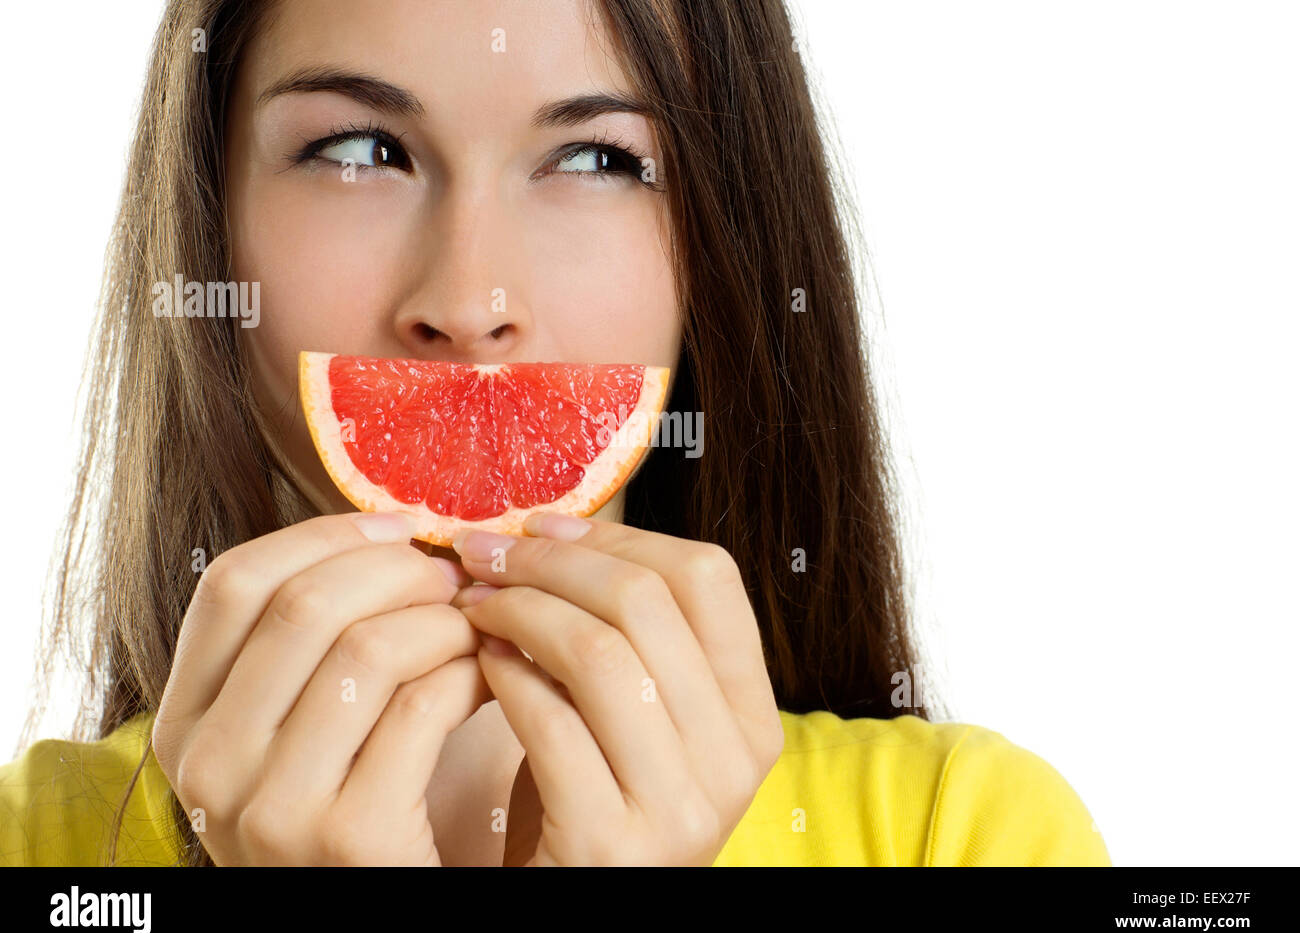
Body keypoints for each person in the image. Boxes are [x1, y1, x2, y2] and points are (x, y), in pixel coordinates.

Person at [0, 0, 1109, 866]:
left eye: (593, 159)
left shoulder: (958, 833)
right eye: (359, 148)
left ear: (722, 240)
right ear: (207, 213)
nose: (471, 297)